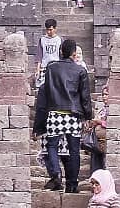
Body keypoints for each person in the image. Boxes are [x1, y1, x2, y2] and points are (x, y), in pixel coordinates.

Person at [34, 38, 93, 194]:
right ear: (74, 53)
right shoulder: (80, 70)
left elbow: (45, 92)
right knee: (74, 151)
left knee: (52, 146)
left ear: (60, 51)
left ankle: (56, 173)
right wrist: (87, 117)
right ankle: (72, 185)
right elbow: (85, 97)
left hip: (55, 114)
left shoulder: (51, 68)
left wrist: (39, 124)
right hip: (73, 116)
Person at [83, 83, 108, 174]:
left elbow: (111, 124)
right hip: (96, 141)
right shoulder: (102, 110)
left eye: (106, 94)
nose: (104, 97)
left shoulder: (113, 110)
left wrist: (100, 122)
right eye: (103, 95)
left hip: (104, 141)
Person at [36, 17, 63, 86]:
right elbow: (39, 55)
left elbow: (62, 55)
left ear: (55, 29)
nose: (48, 32)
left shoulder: (59, 40)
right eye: (47, 30)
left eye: (50, 30)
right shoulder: (42, 40)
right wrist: (38, 69)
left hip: (56, 66)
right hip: (44, 66)